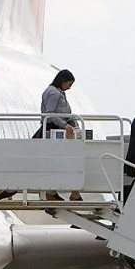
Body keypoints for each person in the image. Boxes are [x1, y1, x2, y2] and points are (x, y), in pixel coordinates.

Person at [40, 70, 83, 202]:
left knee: (60, 162)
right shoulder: (54, 93)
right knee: (67, 160)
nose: (69, 87)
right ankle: (72, 192)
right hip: (57, 129)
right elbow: (50, 113)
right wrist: (65, 125)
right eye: (69, 84)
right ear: (63, 81)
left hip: (60, 128)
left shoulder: (56, 92)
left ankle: (55, 191)